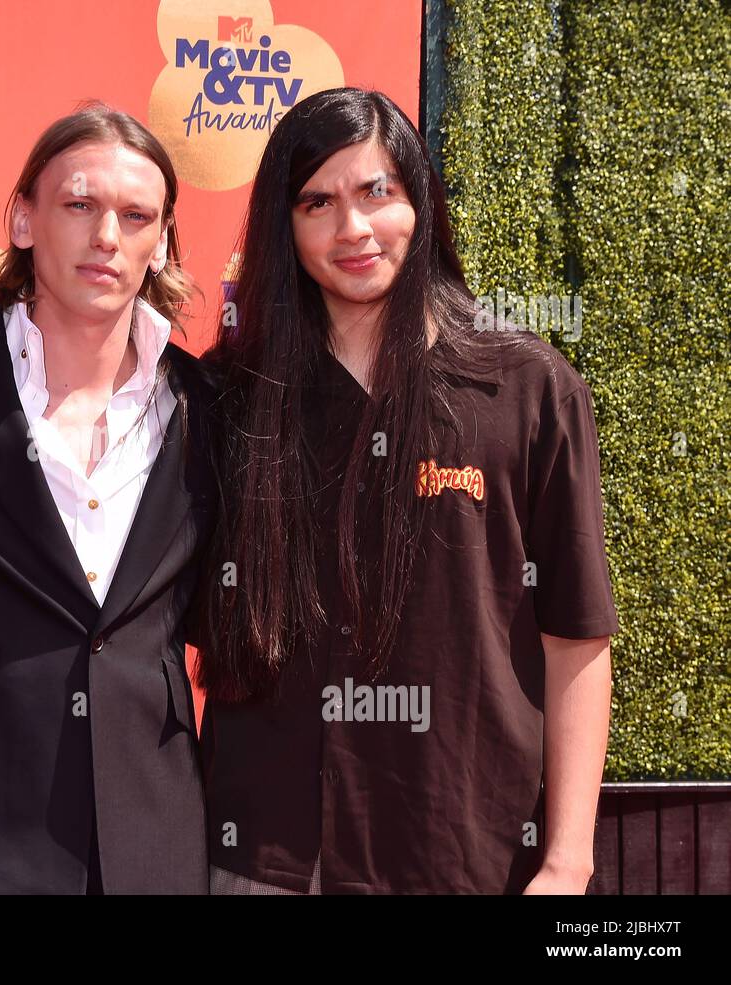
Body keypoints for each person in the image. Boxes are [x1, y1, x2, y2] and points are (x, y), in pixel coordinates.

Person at [198, 87, 617, 894]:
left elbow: (578, 639)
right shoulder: (231, 395)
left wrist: (567, 859)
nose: (351, 228)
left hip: (465, 852)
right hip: (265, 857)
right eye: (317, 201)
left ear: (420, 200)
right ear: (284, 228)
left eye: (375, 193)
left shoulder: (527, 388)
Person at [0, 104, 215, 893]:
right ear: (23, 218)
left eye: (136, 215)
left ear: (161, 243)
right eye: (79, 205)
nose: (107, 237)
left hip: (155, 842)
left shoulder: (208, 405)